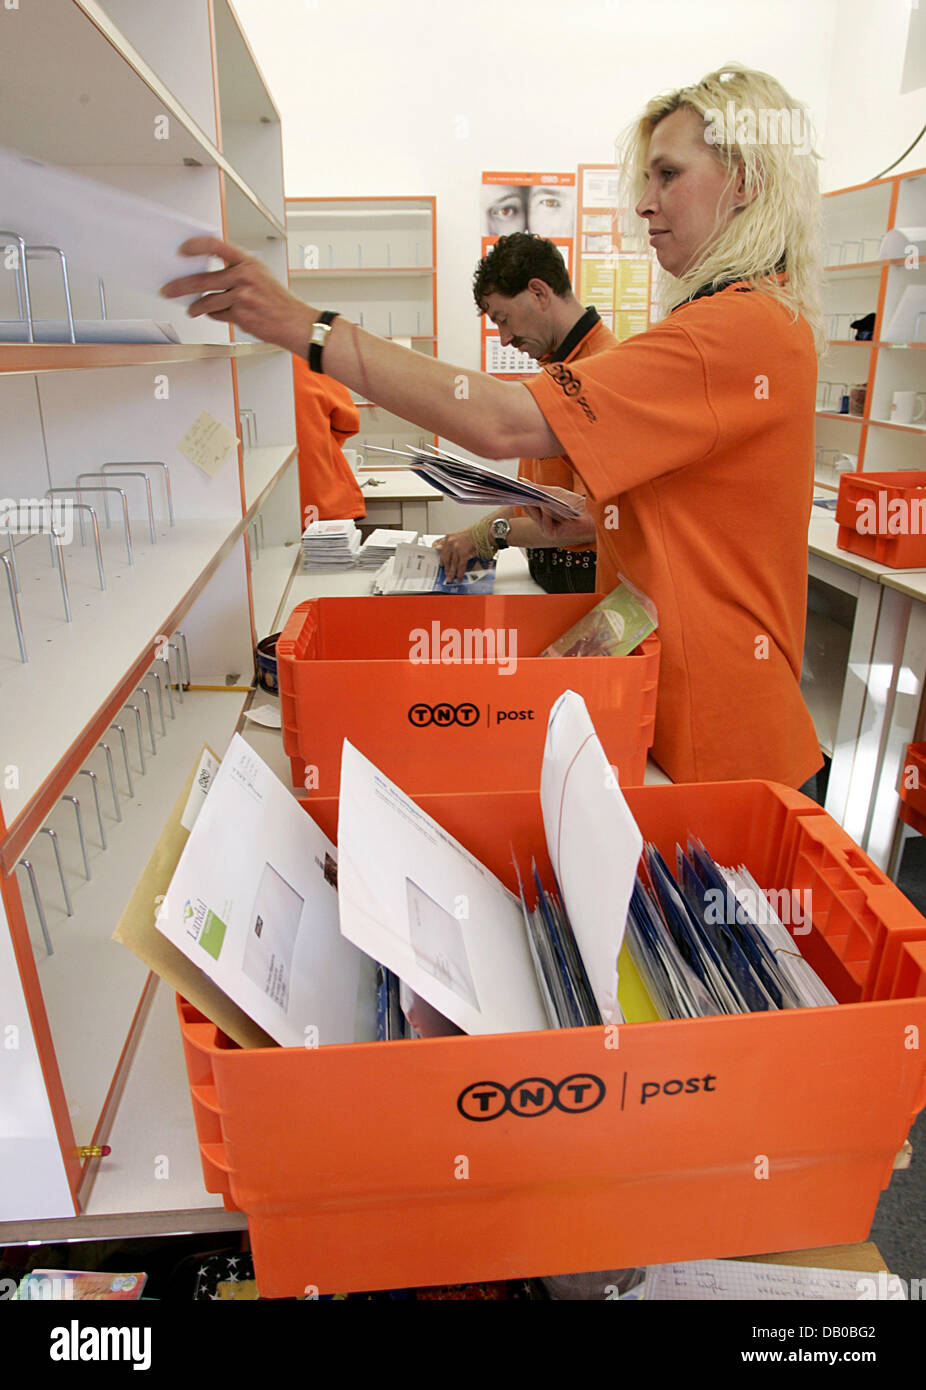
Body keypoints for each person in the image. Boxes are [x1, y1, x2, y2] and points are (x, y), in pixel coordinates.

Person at [162, 63, 823, 789]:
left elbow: (501, 420)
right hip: (685, 720)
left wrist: (305, 326)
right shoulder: (746, 321)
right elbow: (619, 515)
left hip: (724, 746)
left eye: (668, 174)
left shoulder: (733, 330)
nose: (643, 202)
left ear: (747, 180)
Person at [437, 233, 616, 592]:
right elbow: (544, 501)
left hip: (582, 582)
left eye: (503, 319)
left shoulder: (598, 374)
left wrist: (490, 534)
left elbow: (587, 520)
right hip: (553, 576)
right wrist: (480, 531)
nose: (504, 338)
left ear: (538, 292)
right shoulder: (559, 367)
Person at [292, 355, 366, 527]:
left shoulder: (226, 370)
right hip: (318, 497)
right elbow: (348, 422)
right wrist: (321, 442)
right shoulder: (304, 360)